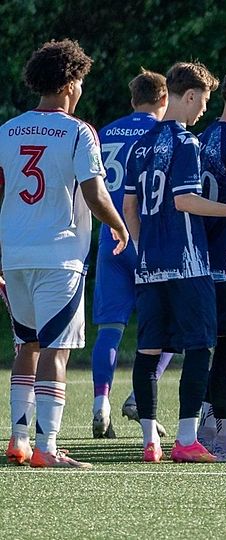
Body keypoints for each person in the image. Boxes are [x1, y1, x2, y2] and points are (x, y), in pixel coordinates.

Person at [123, 61, 226, 463]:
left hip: (150, 266)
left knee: (148, 351)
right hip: (188, 264)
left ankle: (150, 442)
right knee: (200, 346)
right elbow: (185, 200)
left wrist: (143, 248)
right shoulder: (186, 142)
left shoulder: (140, 145)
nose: (204, 109)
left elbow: (130, 207)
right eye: (203, 100)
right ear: (189, 95)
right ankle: (187, 439)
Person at [1, 39, 128, 468]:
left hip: (14, 256)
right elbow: (95, 193)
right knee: (55, 350)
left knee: (27, 345)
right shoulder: (78, 131)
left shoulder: (7, 129)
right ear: (71, 82)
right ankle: (47, 447)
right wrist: (119, 225)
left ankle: (20, 440)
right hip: (60, 257)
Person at [90, 69, 172, 439]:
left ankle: (100, 403)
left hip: (110, 237)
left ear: (132, 99)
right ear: (164, 99)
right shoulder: (163, 134)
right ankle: (140, 397)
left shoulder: (104, 132)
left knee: (109, 328)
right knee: (169, 324)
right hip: (148, 237)